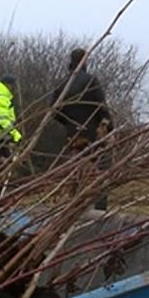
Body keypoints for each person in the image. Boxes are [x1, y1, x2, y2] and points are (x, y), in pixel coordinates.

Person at [52, 48, 112, 209]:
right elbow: (101, 106)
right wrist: (107, 127)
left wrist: (68, 122)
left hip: (73, 135)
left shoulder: (63, 84)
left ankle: (71, 207)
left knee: (74, 172)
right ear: (85, 61)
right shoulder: (91, 81)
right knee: (99, 172)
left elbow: (54, 110)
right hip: (93, 134)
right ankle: (98, 209)